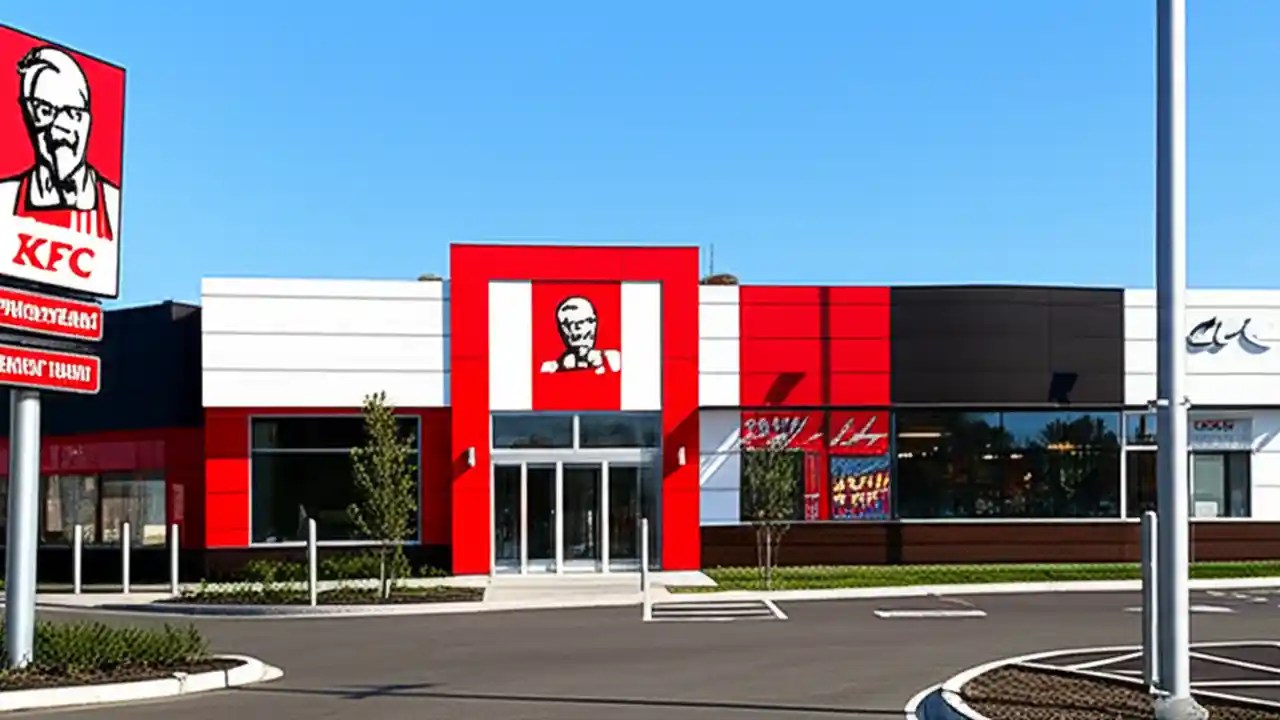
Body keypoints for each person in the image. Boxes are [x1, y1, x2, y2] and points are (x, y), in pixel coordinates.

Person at [0, 45, 119, 240]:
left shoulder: (113, 206)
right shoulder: (4, 200)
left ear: (89, 121)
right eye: (45, 111)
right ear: (27, 116)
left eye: (74, 113)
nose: (60, 127)